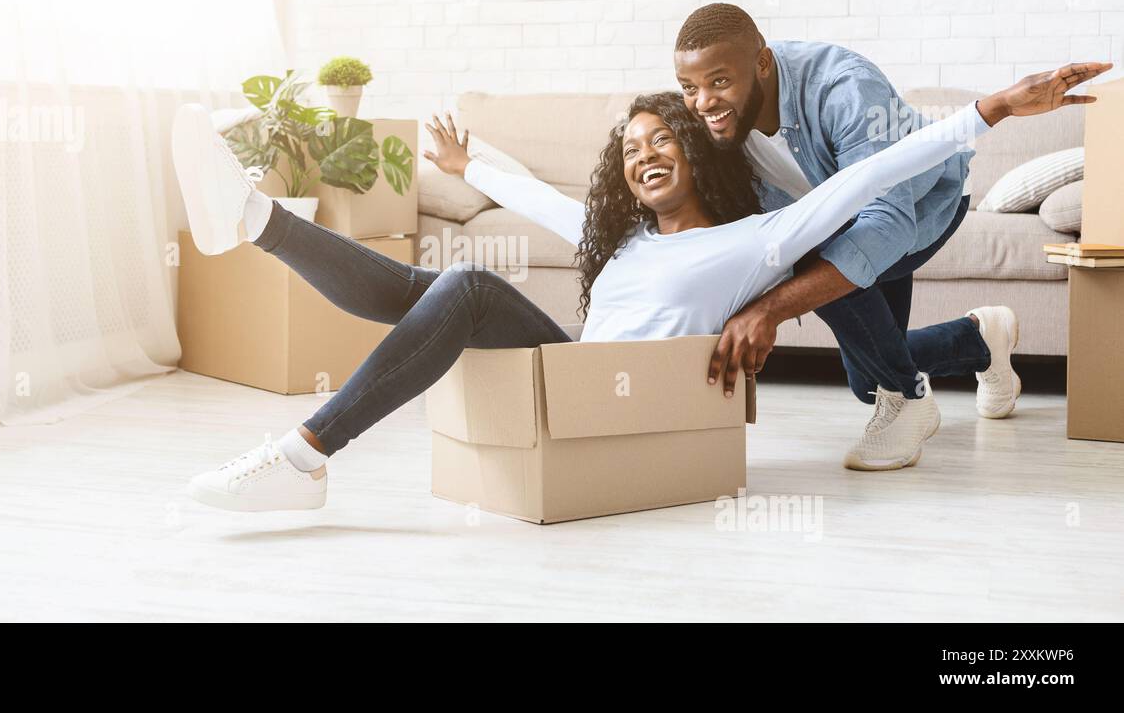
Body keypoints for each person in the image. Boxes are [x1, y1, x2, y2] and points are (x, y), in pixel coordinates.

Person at [169, 61, 1108, 511]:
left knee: (450, 293)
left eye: (662, 141)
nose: (644, 155)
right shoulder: (618, 241)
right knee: (436, 289)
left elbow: (865, 181)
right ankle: (251, 222)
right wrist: (470, 162)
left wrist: (986, 111)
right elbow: (541, 196)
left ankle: (301, 457)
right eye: (629, 150)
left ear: (696, 155)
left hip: (617, 404)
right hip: (580, 377)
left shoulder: (755, 237)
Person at [673, 3, 1098, 463]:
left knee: (824, 264)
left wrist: (769, 310)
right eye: (689, 88)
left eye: (719, 82)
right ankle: (981, 338)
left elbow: (887, 221)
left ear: (761, 64)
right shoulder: (711, 122)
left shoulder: (844, 88)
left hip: (921, 202)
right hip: (841, 222)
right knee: (866, 382)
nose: (703, 103)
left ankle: (911, 403)